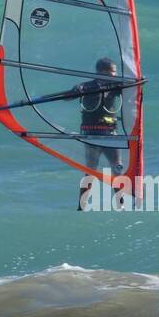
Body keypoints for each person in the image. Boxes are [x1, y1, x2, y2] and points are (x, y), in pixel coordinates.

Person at [69, 58, 126, 209]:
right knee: (90, 171)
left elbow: (131, 92)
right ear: (102, 72)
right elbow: (70, 96)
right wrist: (76, 90)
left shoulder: (116, 86)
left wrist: (137, 82)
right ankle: (82, 206)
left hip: (110, 134)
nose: (115, 74)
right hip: (92, 135)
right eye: (113, 71)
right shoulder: (87, 86)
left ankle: (121, 206)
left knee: (117, 169)